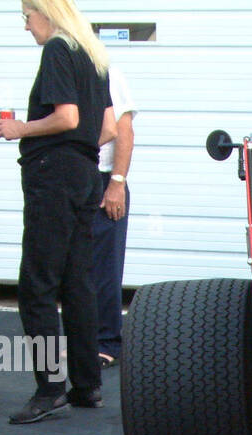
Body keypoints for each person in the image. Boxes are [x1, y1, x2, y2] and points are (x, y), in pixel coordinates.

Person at [0, 1, 115, 424]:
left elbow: (66, 117)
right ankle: (87, 386)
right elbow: (109, 129)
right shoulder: (93, 54)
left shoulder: (58, 51)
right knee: (77, 282)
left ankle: (49, 389)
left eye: (27, 16)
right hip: (85, 171)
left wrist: (20, 129)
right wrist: (83, 152)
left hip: (54, 172)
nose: (26, 26)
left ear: (46, 12)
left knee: (37, 284)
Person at [91, 63, 135, 367]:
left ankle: (107, 342)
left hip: (104, 179)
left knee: (104, 266)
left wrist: (117, 183)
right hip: (78, 180)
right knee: (81, 266)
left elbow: (124, 130)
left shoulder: (106, 73)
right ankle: (88, 340)